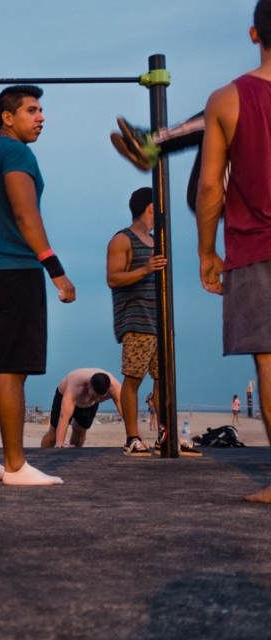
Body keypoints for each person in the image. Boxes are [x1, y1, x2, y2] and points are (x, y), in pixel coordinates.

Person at [0, 85, 75, 486]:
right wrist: (56, 269)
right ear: (7, 117)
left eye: (41, 110)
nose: (41, 117)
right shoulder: (16, 152)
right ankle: (15, 466)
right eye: (32, 110)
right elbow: (25, 212)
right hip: (15, 270)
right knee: (11, 370)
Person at [194, 0, 271, 503]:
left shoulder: (227, 99)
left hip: (254, 245)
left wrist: (206, 251)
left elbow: (209, 189)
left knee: (269, 362)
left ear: (253, 34)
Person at [105, 187, 198, 457]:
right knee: (133, 380)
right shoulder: (122, 240)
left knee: (163, 380)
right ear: (149, 208)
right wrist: (145, 269)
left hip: (161, 323)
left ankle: (165, 436)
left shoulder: (158, 241)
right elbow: (112, 277)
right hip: (136, 321)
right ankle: (132, 438)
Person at [39, 369, 122, 448]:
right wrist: (60, 442)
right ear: (88, 384)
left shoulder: (115, 388)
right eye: (94, 396)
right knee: (53, 434)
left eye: (101, 397)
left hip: (88, 405)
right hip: (64, 396)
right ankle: (41, 456)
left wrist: (132, 438)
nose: (98, 400)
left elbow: (125, 413)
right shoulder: (76, 385)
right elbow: (64, 416)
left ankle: (73, 456)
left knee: (79, 432)